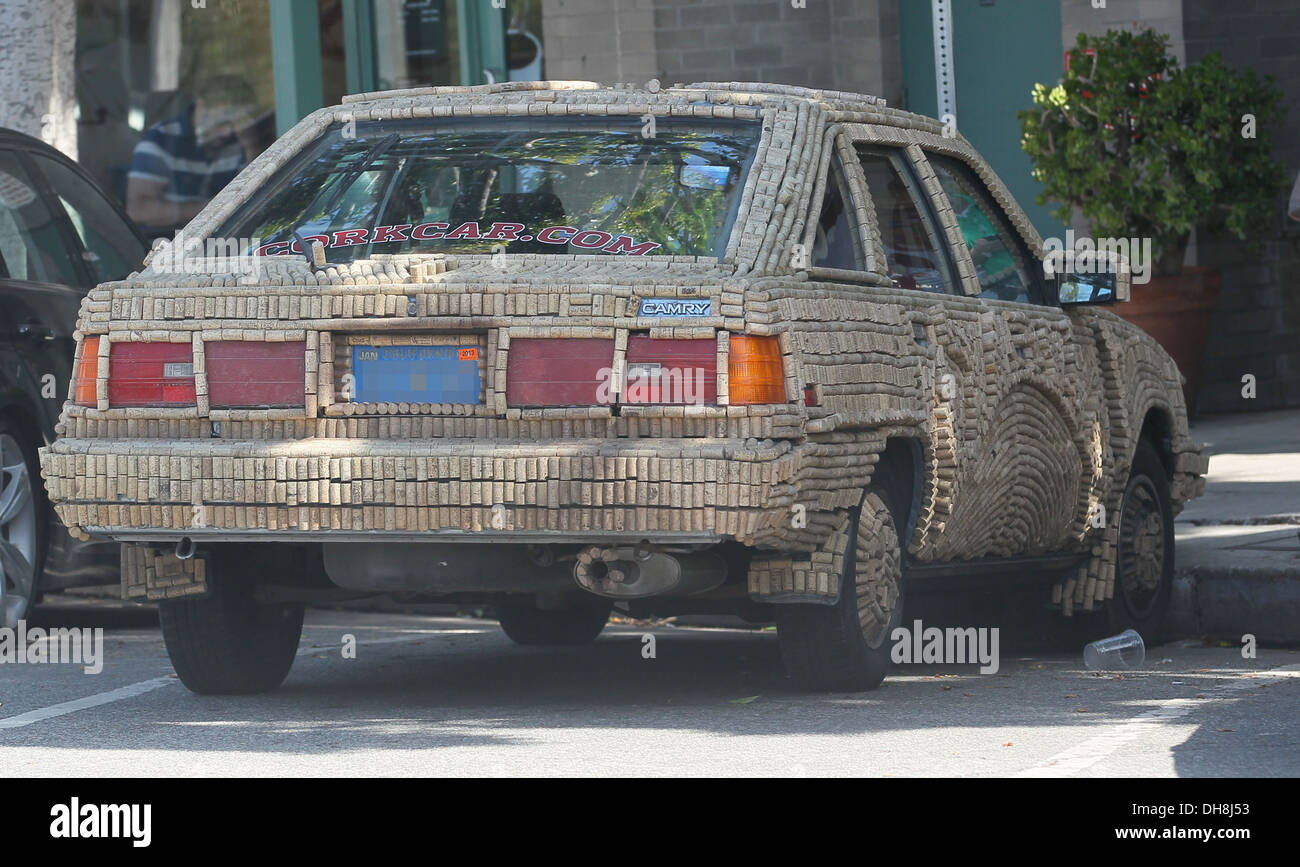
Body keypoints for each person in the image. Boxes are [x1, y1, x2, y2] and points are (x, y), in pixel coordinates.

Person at [125, 76, 258, 236]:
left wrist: (251, 144)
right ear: (200, 107)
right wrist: (213, 209)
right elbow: (139, 210)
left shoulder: (240, 140)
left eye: (236, 123)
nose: (228, 131)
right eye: (222, 121)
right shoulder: (161, 139)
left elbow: (255, 199)